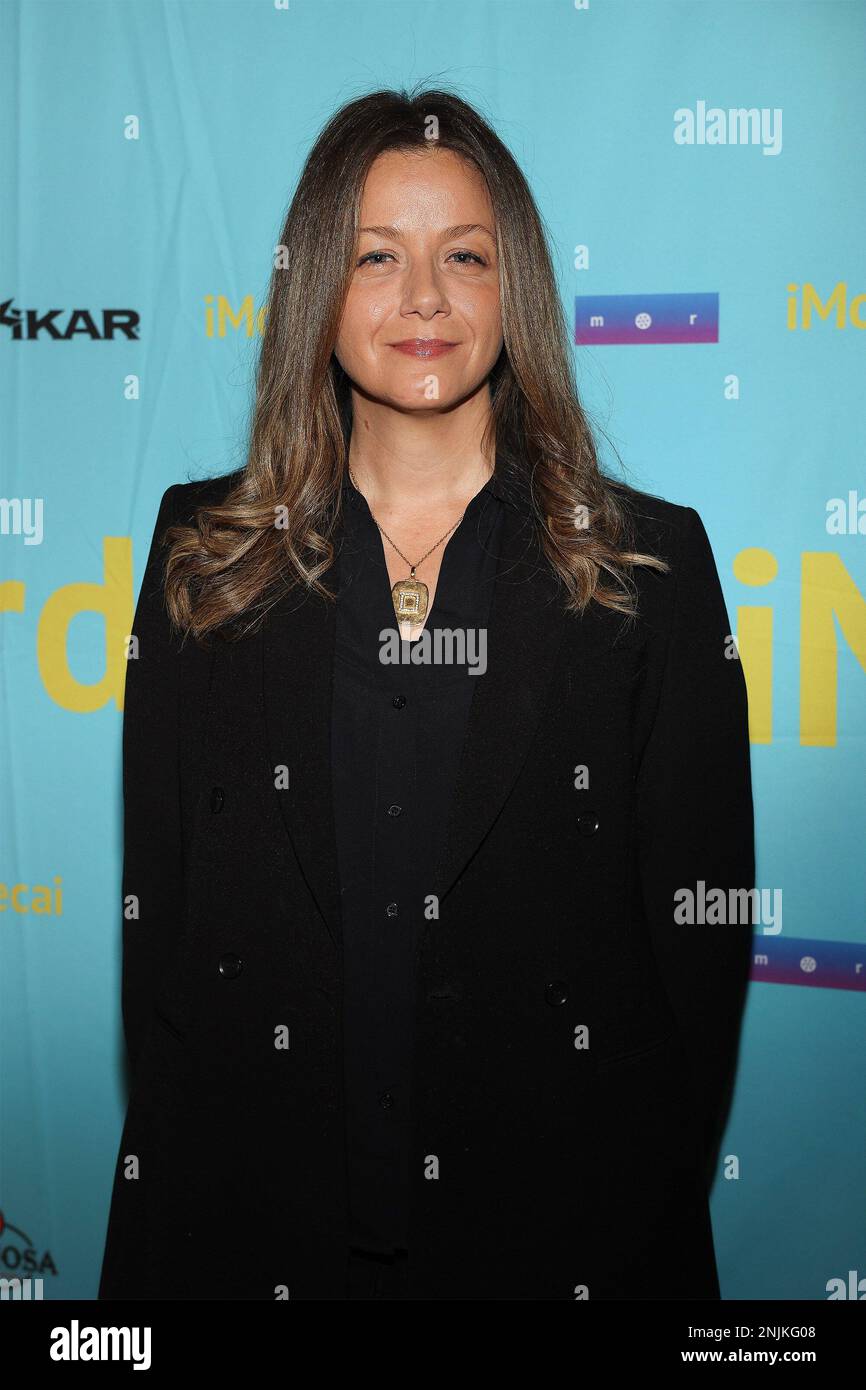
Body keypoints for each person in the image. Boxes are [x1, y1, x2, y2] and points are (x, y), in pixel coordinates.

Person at [98, 86, 754, 1302]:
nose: (423, 300)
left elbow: (690, 974)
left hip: (557, 1245)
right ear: (315, 290)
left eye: (463, 255)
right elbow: (170, 950)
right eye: (374, 257)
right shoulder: (202, 555)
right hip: (256, 1238)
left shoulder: (648, 569)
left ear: (518, 288)